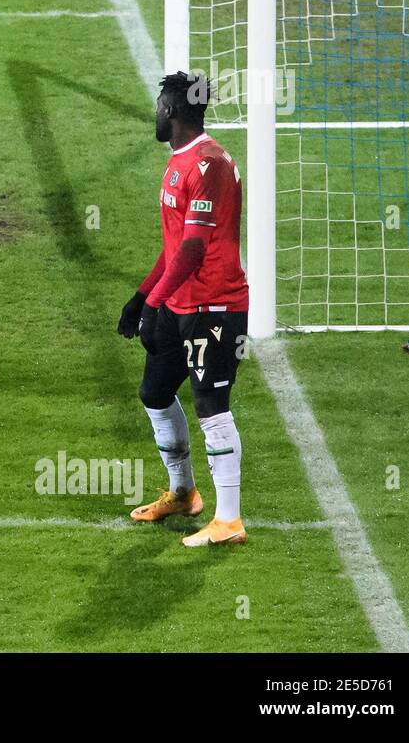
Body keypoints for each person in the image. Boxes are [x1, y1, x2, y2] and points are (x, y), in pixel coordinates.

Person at [117, 72, 250, 547]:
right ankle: (183, 493)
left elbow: (194, 250)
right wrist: (142, 296)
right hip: (179, 304)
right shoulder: (181, 161)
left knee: (211, 406)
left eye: (158, 105)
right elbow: (174, 248)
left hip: (214, 308)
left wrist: (153, 304)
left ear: (171, 111)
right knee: (154, 393)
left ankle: (229, 521)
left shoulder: (210, 164)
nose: (155, 112)